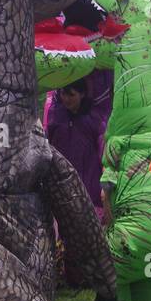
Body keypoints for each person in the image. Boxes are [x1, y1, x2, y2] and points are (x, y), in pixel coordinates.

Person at [45, 74, 109, 223]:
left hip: (89, 191)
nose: (66, 99)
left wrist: (105, 188)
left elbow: (103, 156)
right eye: (63, 94)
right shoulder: (56, 117)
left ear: (82, 94)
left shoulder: (94, 121)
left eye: (71, 95)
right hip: (62, 189)